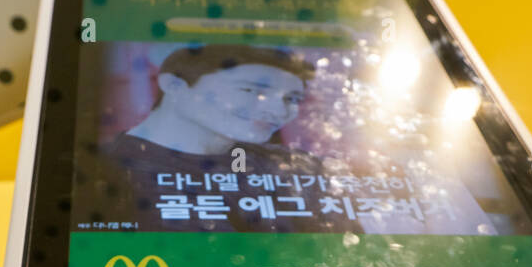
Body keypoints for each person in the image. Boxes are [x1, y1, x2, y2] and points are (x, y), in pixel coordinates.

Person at [88, 44, 361, 233]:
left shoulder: (299, 171)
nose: (278, 111)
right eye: (250, 89)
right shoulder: (99, 170)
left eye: (292, 99)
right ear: (174, 85)